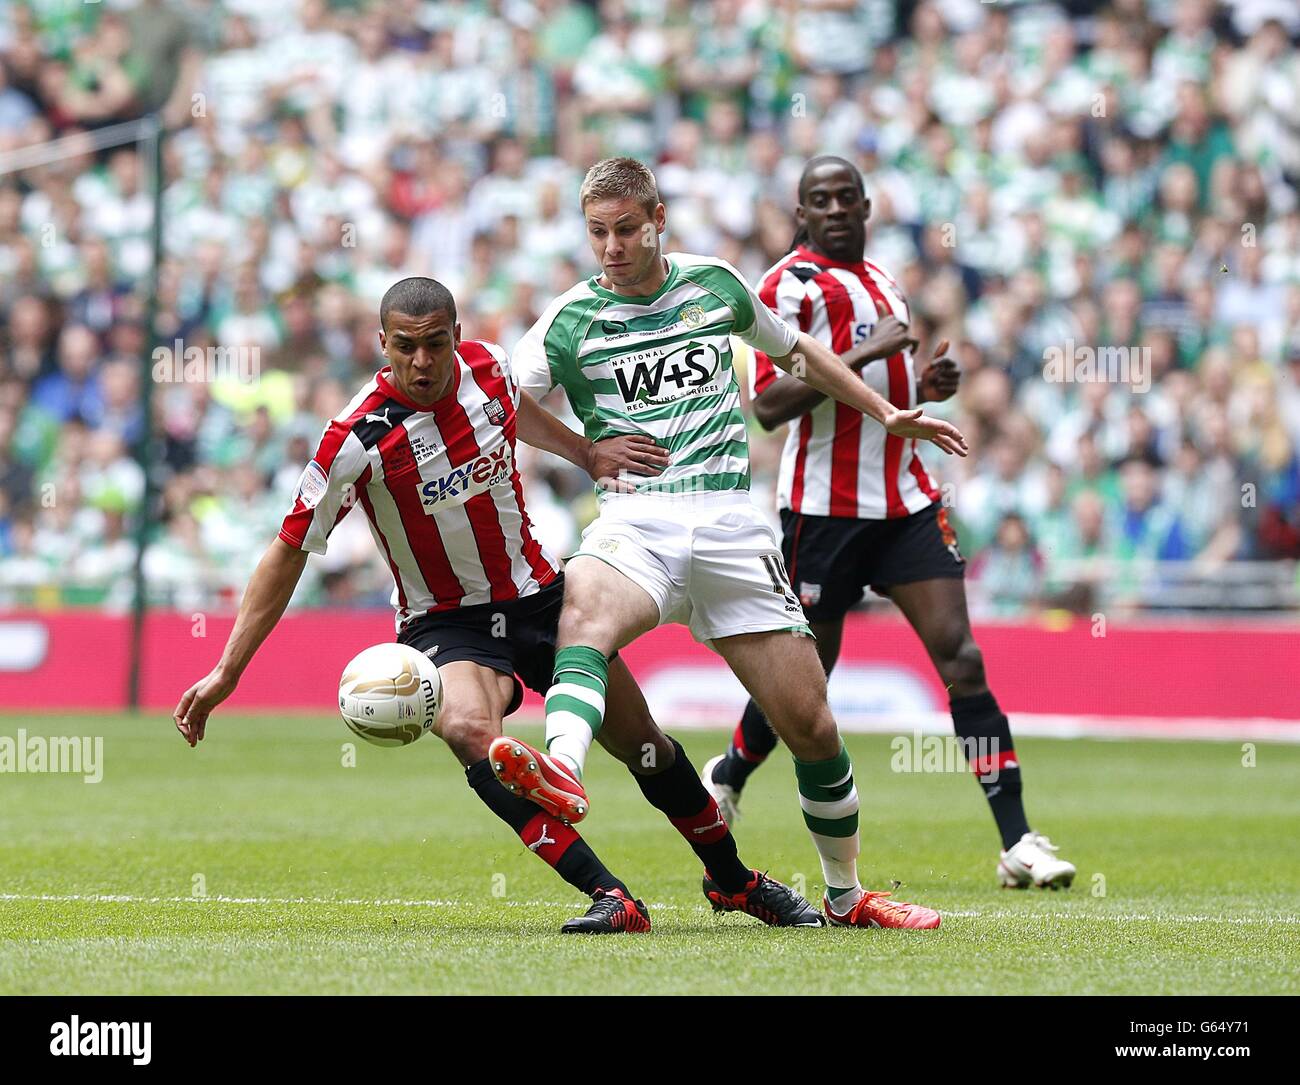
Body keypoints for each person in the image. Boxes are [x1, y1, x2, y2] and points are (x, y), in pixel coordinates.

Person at [174, 277, 823, 934]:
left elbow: (517, 407)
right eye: (405, 347)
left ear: (456, 337)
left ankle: (735, 882)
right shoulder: (356, 439)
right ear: (382, 344)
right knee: (467, 732)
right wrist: (227, 670)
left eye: (435, 344)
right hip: (444, 622)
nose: (422, 362)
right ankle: (610, 896)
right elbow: (288, 550)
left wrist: (585, 451)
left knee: (645, 745)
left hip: (540, 596)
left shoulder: (490, 368)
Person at [492, 158, 967, 929]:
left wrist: (889, 410)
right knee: (583, 617)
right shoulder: (570, 320)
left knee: (810, 723)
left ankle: (847, 896)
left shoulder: (715, 285)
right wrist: (584, 452)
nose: (611, 246)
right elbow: (501, 403)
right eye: (597, 233)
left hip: (729, 524)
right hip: (635, 521)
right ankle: (564, 770)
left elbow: (799, 357)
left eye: (625, 229)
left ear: (658, 221)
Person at [701, 157, 1075, 890]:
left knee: (961, 657)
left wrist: (925, 384)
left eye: (847, 197)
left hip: (906, 498)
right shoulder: (783, 287)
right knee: (808, 683)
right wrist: (872, 352)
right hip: (822, 510)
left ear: (867, 205)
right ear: (801, 212)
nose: (836, 209)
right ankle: (732, 768)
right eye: (820, 200)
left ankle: (1018, 841)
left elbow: (884, 385)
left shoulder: (883, 279)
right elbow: (769, 405)